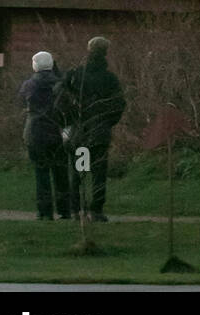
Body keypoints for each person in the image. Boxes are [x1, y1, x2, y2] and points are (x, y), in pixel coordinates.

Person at [55, 36, 126, 222]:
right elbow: (119, 104)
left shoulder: (76, 74)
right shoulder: (110, 78)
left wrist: (69, 120)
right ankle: (96, 211)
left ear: (88, 50)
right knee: (98, 173)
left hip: (80, 131)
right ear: (106, 52)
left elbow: (59, 96)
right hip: (100, 132)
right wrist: (108, 122)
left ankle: (77, 210)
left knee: (79, 172)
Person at [19, 51, 70, 221]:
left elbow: (21, 100)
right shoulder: (60, 84)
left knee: (41, 173)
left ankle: (44, 211)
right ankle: (65, 209)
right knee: (61, 172)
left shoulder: (29, 85)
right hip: (58, 132)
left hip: (36, 132)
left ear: (35, 65)